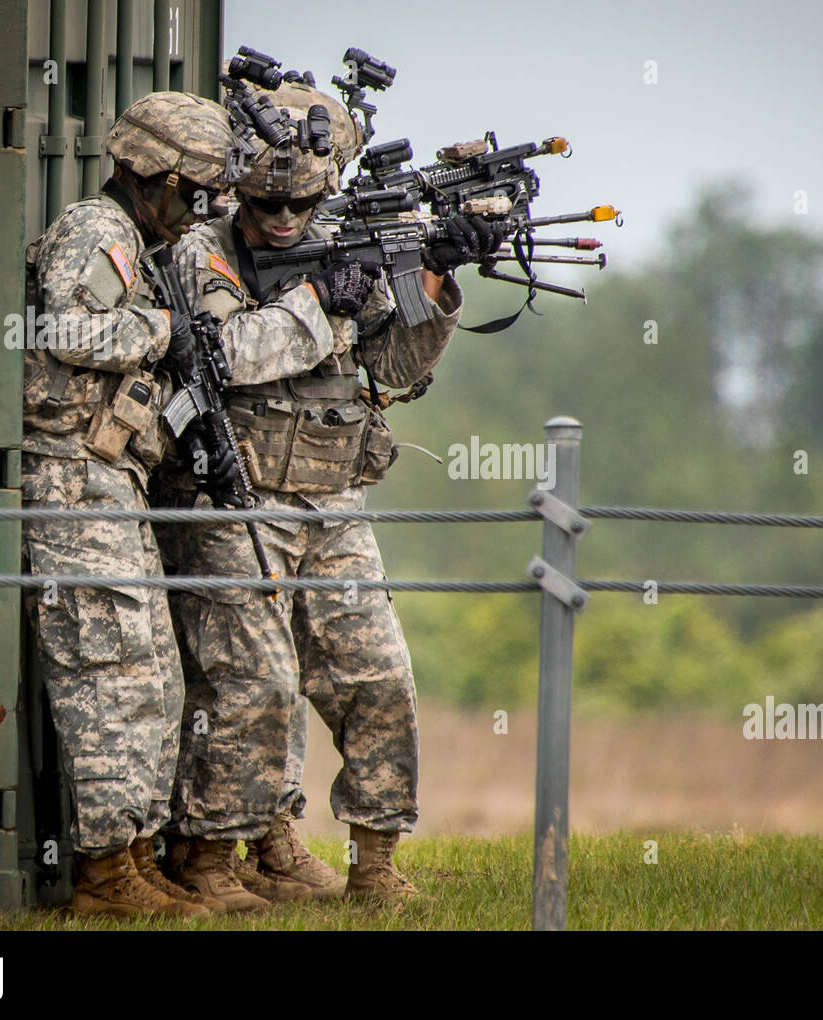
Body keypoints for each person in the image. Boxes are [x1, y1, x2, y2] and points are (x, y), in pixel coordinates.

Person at [155, 87, 503, 907]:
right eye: (267, 201)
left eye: (301, 202)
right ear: (239, 189)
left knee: (378, 675)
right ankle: (207, 857)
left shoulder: (343, 243)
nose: (283, 218)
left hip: (332, 496)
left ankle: (375, 862)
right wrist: (322, 303)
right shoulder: (202, 253)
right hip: (236, 495)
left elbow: (392, 369)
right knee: (256, 684)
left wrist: (434, 277)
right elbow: (229, 354)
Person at [21, 90, 237, 918]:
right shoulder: (95, 230)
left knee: (152, 676)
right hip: (72, 481)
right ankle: (105, 877)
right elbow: (62, 334)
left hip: (112, 481)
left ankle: (136, 858)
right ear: (147, 175)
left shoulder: (137, 245)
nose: (197, 212)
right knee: (110, 675)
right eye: (191, 193)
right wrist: (160, 332)